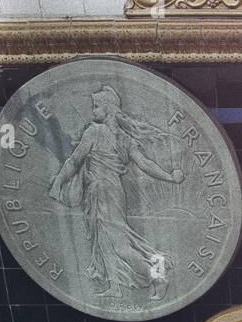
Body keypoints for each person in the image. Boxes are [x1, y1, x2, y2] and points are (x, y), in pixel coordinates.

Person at [48, 84, 184, 297]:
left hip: (104, 192)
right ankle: (115, 287)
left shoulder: (94, 131)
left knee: (120, 246)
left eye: (96, 107)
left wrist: (58, 183)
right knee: (103, 241)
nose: (93, 112)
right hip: (109, 191)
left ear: (108, 109)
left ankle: (158, 278)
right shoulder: (124, 138)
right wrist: (170, 177)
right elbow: (145, 164)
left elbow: (75, 161)